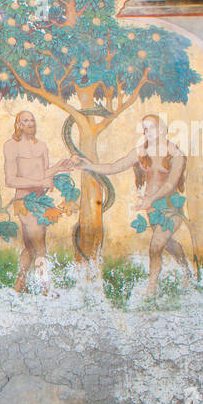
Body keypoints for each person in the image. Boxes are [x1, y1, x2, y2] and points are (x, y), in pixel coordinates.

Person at [69, 114, 193, 297]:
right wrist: (90, 166)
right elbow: (115, 166)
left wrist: (150, 199)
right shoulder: (141, 151)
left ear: (161, 129)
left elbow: (170, 184)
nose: (146, 131)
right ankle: (187, 272)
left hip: (170, 207)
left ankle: (151, 291)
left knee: (155, 246)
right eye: (144, 128)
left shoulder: (175, 154)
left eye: (151, 127)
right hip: (151, 208)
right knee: (167, 244)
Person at [4, 111, 76, 294]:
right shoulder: (11, 146)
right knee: (40, 246)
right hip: (25, 202)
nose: (30, 124)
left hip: (41, 201)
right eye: (25, 121)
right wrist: (39, 183)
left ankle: (19, 284)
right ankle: (46, 287)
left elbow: (43, 174)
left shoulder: (42, 146)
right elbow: (11, 180)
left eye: (32, 120)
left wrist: (58, 167)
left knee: (30, 246)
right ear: (18, 124)